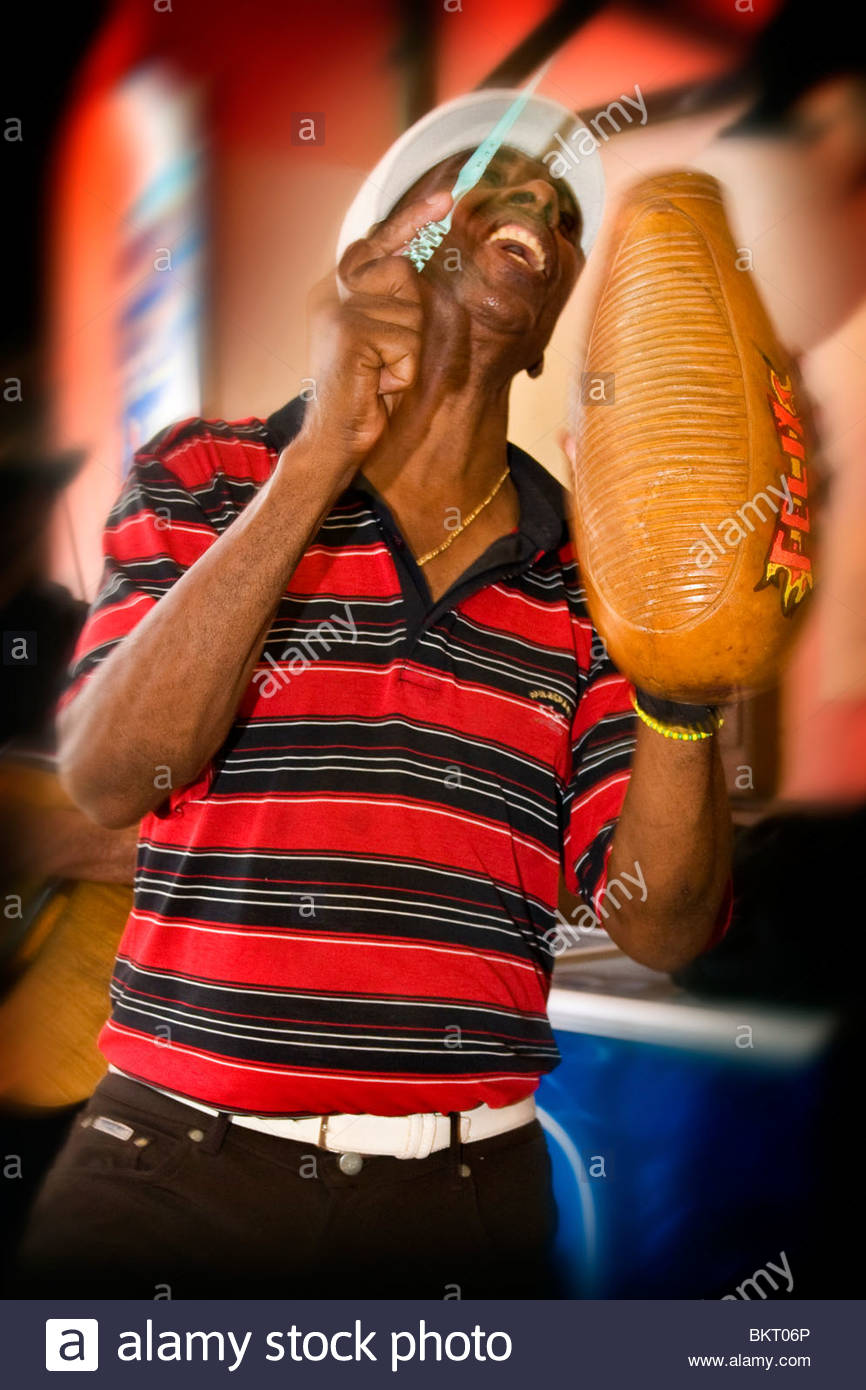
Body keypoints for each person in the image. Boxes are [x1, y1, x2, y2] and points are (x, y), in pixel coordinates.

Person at [12, 90, 732, 1299]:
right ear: (370, 258)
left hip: (466, 1207)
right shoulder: (205, 472)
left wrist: (684, 687)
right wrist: (316, 464)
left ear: (550, 326)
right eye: (489, 186)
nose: (538, 219)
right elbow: (110, 772)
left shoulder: (595, 580)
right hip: (169, 1182)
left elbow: (657, 924)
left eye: (559, 218)